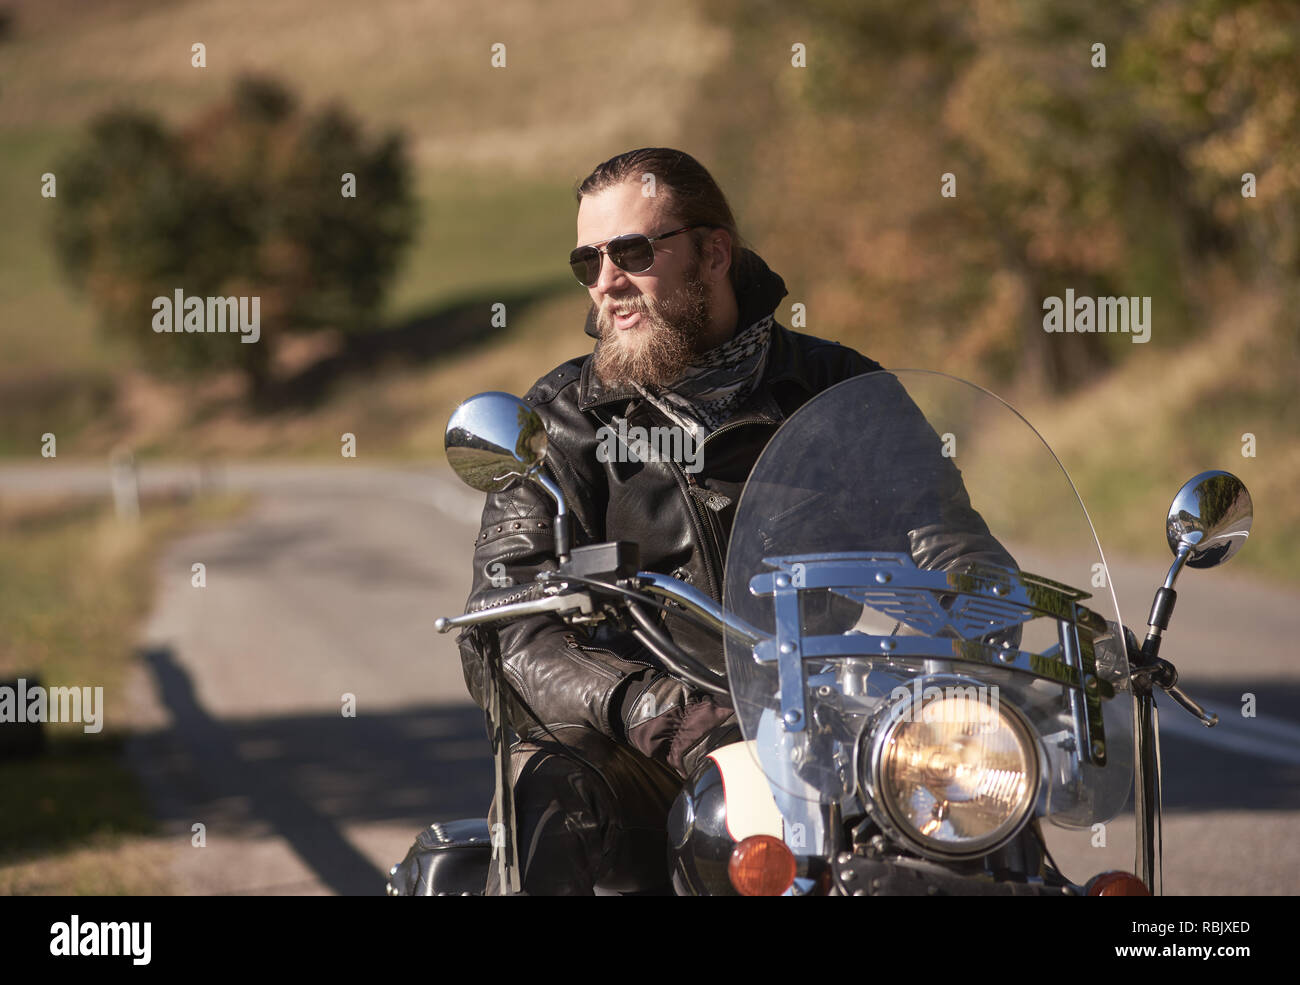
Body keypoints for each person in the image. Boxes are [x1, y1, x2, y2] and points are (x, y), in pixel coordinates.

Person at [455, 148, 1001, 895]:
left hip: (830, 728)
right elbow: (505, 630)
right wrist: (661, 710)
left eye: (633, 252)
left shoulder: (837, 389)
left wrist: (973, 604)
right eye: (589, 261)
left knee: (992, 810)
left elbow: (944, 539)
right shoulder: (560, 421)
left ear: (714, 252)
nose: (607, 281)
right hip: (643, 749)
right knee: (550, 778)